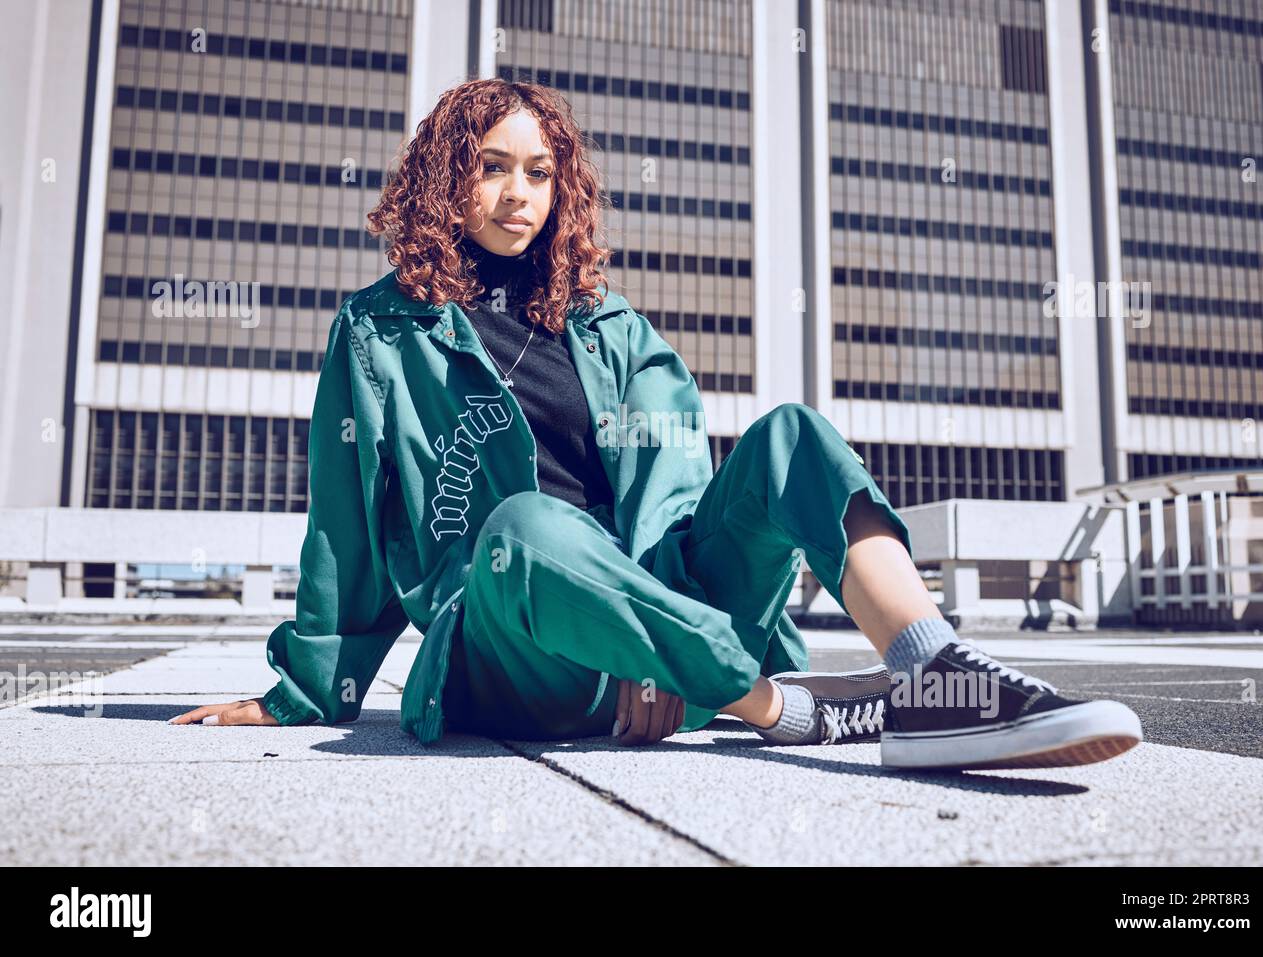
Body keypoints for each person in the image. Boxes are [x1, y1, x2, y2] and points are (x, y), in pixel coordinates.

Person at [170, 78, 1142, 770]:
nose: (518, 194)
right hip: (510, 645)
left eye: (540, 173)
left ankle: (939, 675)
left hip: (655, 629)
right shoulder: (379, 330)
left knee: (793, 433)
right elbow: (345, 525)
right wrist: (302, 692)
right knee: (529, 527)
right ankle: (780, 710)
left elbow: (674, 488)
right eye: (492, 168)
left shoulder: (611, 324)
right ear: (444, 178)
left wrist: (653, 622)